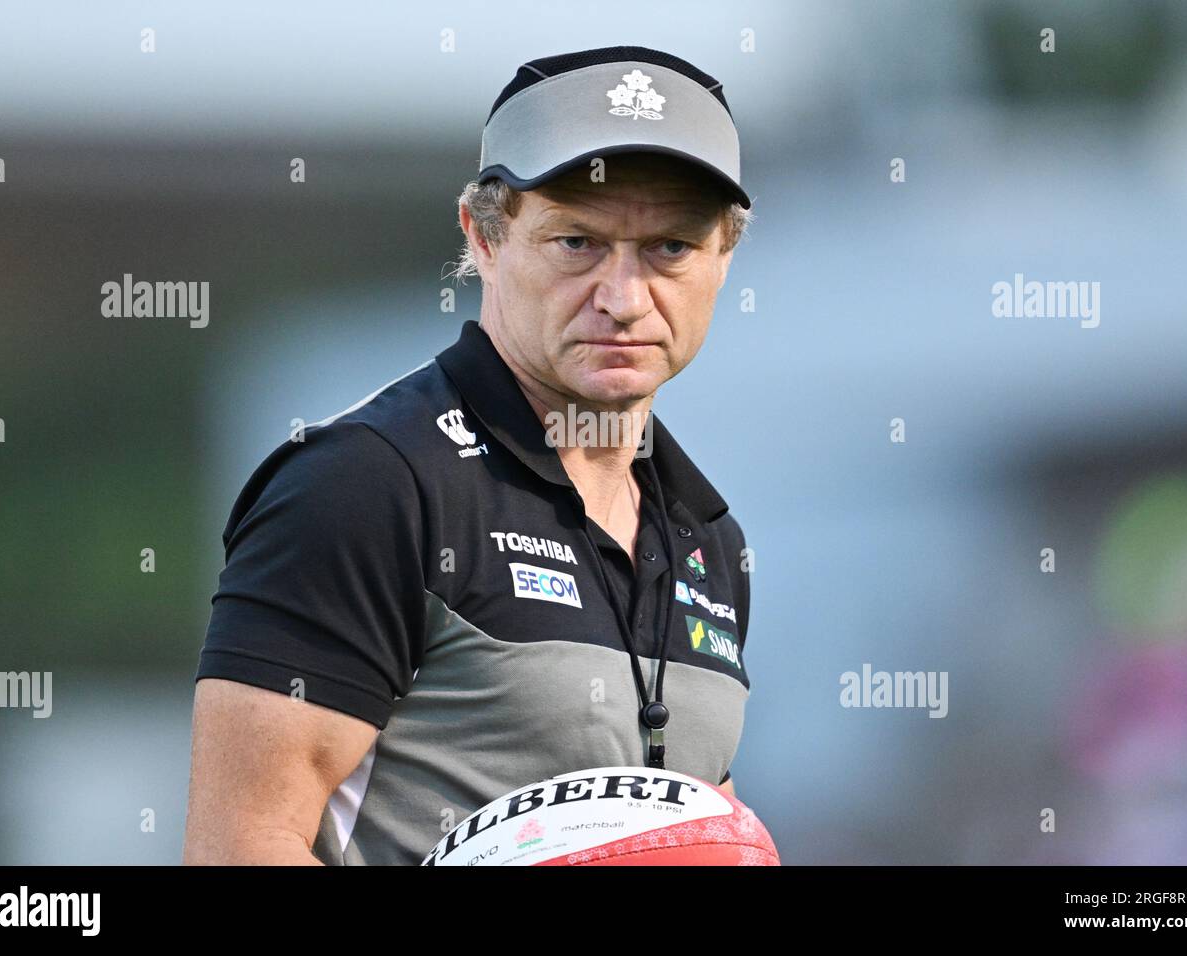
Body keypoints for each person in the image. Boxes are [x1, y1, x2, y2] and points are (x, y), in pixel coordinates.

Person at [184, 45, 757, 865]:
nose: (625, 298)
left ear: (724, 257)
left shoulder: (711, 539)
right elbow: (238, 849)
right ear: (484, 236)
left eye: (670, 248)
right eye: (577, 242)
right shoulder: (367, 484)